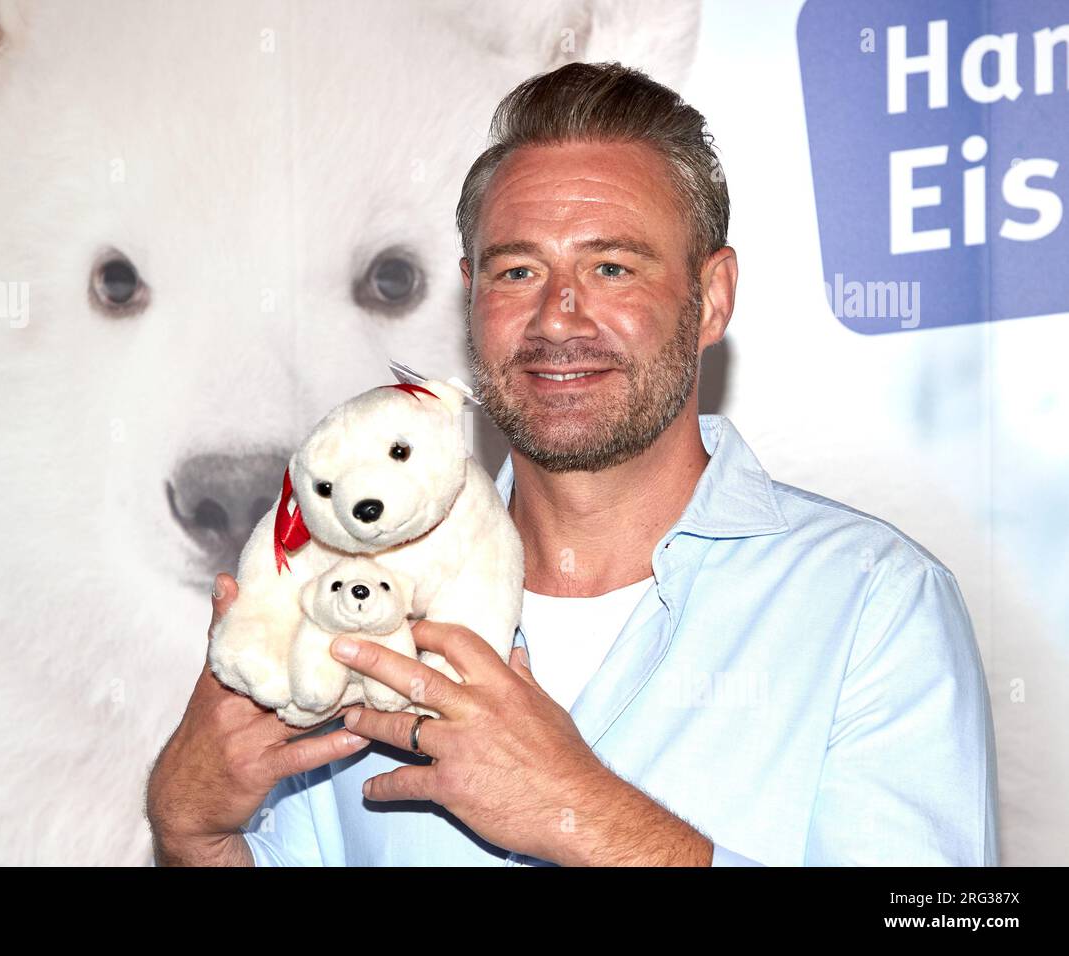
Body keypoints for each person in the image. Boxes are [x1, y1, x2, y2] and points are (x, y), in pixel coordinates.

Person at [145, 61, 999, 866]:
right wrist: (196, 838)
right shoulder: (342, 610)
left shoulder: (874, 602)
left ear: (714, 297)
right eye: (518, 270)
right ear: (470, 299)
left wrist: (585, 816)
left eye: (612, 266)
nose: (559, 317)